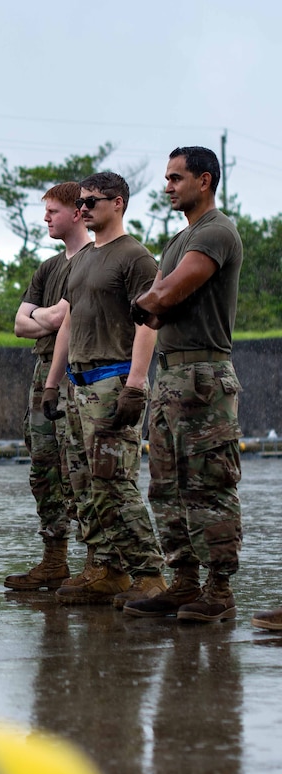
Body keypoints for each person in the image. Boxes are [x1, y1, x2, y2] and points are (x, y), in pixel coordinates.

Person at [123, 147, 244, 622]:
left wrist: (149, 301)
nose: (167, 186)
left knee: (209, 485)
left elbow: (165, 293)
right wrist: (151, 301)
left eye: (176, 178)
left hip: (204, 377)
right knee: (167, 487)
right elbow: (155, 304)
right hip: (171, 376)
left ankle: (219, 589)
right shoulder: (179, 240)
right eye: (167, 178)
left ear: (204, 180)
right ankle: (185, 582)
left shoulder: (216, 231)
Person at [43, 173, 166, 605]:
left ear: (117, 203)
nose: (83, 209)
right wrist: (52, 382)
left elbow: (149, 321)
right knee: (83, 484)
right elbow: (69, 322)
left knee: (113, 481)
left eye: (91, 202)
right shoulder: (82, 260)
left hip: (113, 381)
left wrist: (136, 385)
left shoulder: (135, 258)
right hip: (79, 384)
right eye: (80, 202)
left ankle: (150, 573)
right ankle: (105, 568)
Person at [4, 183, 89, 591]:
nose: (46, 218)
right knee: (43, 468)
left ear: (77, 212)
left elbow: (61, 320)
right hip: (42, 371)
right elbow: (20, 325)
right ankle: (54, 559)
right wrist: (47, 316)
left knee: (80, 468)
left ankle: (99, 562)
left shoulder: (92, 260)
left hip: (78, 373)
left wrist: (45, 317)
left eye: (53, 211)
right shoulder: (49, 267)